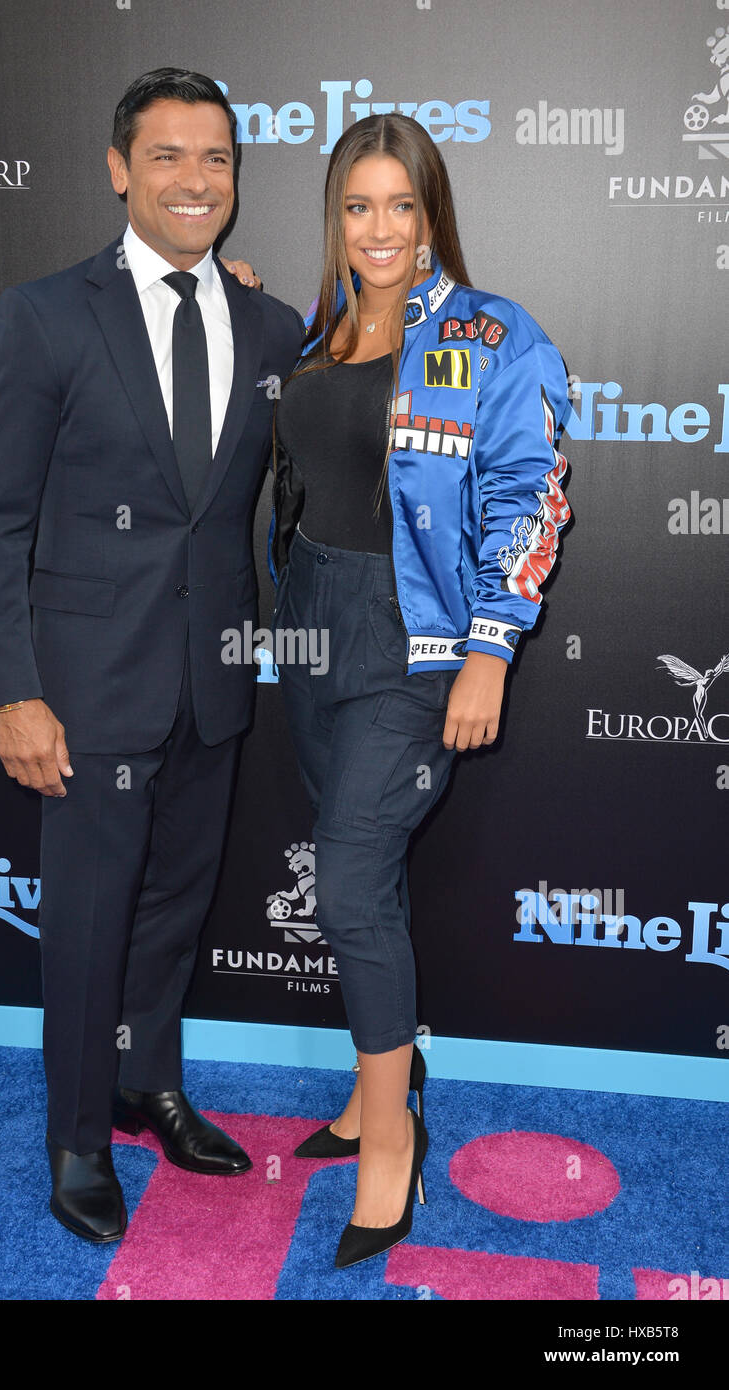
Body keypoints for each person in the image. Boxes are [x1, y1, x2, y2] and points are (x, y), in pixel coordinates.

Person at [0, 68, 304, 1243]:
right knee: (89, 920)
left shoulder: (269, 326)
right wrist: (14, 690)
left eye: (215, 158)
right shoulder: (46, 313)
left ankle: (149, 1084)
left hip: (213, 681)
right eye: (166, 156)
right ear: (118, 169)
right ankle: (75, 1136)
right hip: (85, 691)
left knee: (172, 909)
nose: (194, 179)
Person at [269, 113, 571, 1268]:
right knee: (365, 878)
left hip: (421, 645)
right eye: (357, 206)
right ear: (334, 218)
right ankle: (369, 1085)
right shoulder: (317, 327)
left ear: (432, 211)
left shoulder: (490, 335)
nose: (379, 228)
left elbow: (529, 492)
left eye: (401, 204)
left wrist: (491, 645)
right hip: (305, 628)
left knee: (345, 880)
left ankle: (389, 1135)